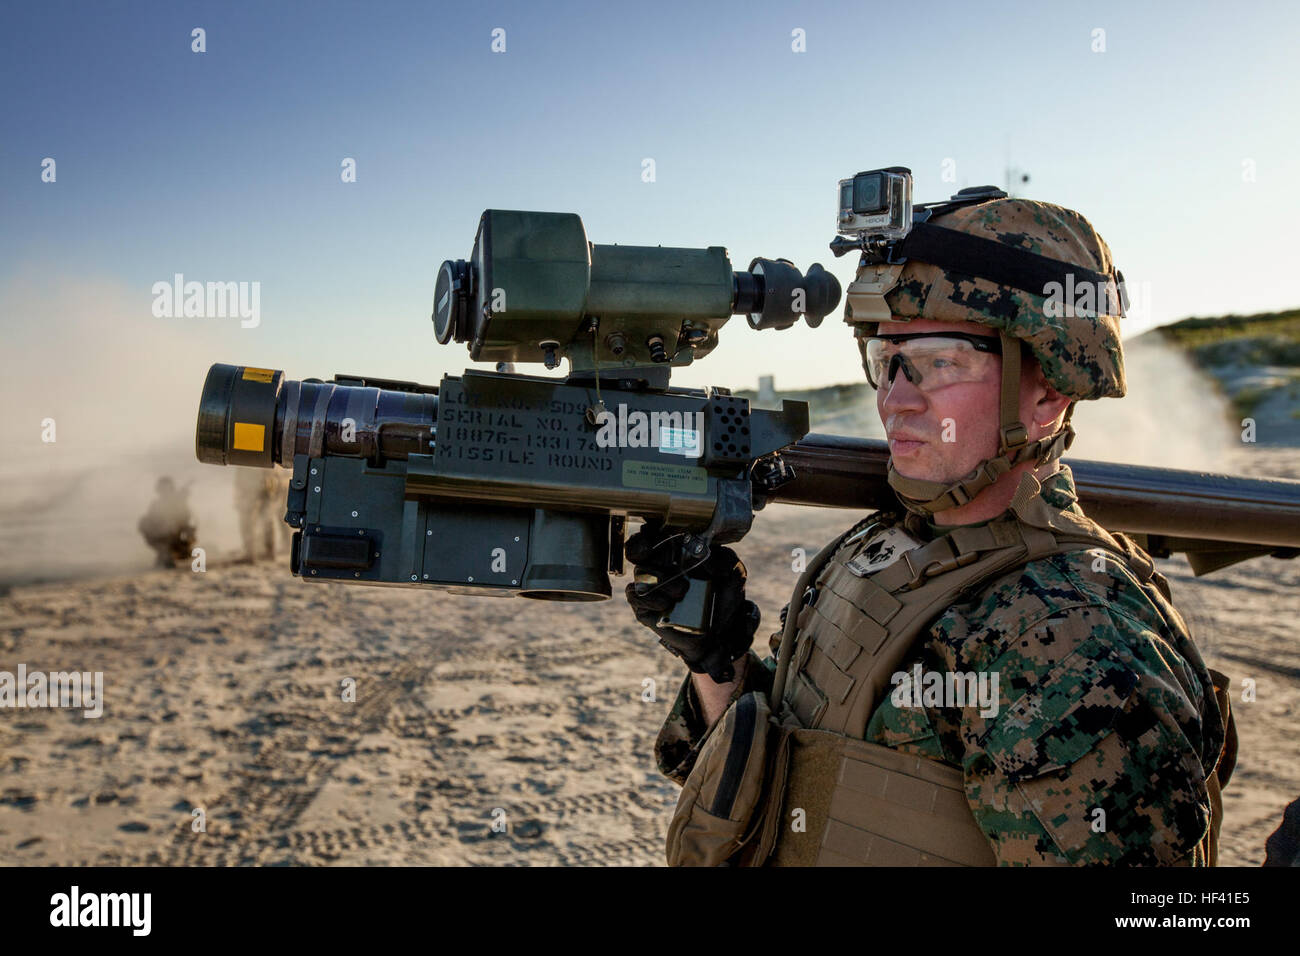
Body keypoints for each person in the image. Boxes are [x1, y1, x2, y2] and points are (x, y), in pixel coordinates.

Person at [626, 193, 1235, 866]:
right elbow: (784, 796)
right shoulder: (885, 548)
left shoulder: (1064, 641)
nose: (896, 397)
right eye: (885, 361)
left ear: (1049, 390)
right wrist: (718, 655)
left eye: (940, 361)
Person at [138, 476, 197, 568]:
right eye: (163, 489)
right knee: (144, 523)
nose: (165, 492)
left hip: (178, 537)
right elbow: (148, 523)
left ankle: (178, 552)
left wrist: (186, 535)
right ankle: (165, 554)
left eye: (167, 489)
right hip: (162, 538)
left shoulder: (178, 502)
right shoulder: (156, 504)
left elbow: (187, 519)